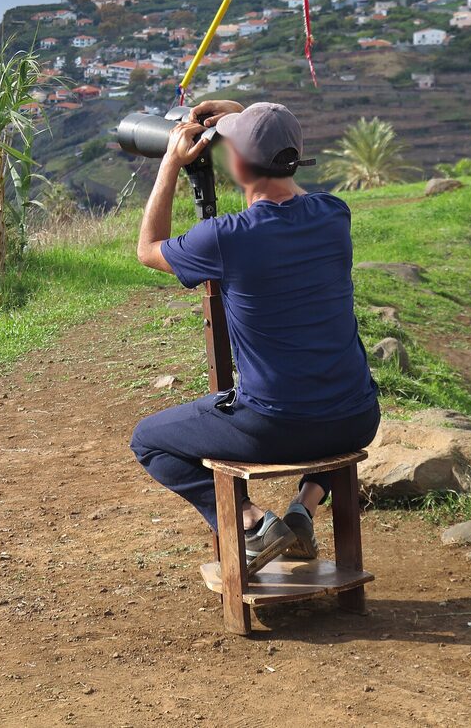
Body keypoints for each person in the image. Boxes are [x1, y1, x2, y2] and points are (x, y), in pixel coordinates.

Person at [130, 100, 380, 575]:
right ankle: (303, 509)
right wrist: (251, 119)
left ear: (239, 163)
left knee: (148, 440)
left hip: (276, 428)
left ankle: (252, 523)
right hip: (357, 417)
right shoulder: (334, 215)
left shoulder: (225, 237)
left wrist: (169, 163)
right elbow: (283, 180)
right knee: (330, 401)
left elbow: (148, 249)